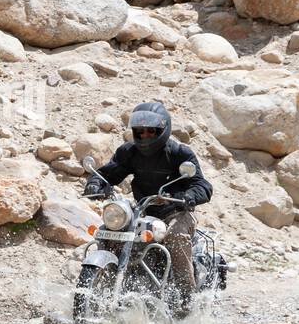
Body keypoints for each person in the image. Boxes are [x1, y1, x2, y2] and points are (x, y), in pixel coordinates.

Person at [82, 101, 213, 310]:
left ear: (163, 130)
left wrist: (187, 196)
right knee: (110, 232)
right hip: (141, 211)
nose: (145, 135)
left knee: (175, 236)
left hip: (175, 211)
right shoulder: (129, 152)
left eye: (151, 130)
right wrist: (96, 183)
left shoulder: (180, 153)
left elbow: (202, 185)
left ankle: (186, 299)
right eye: (140, 131)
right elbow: (110, 173)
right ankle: (100, 291)